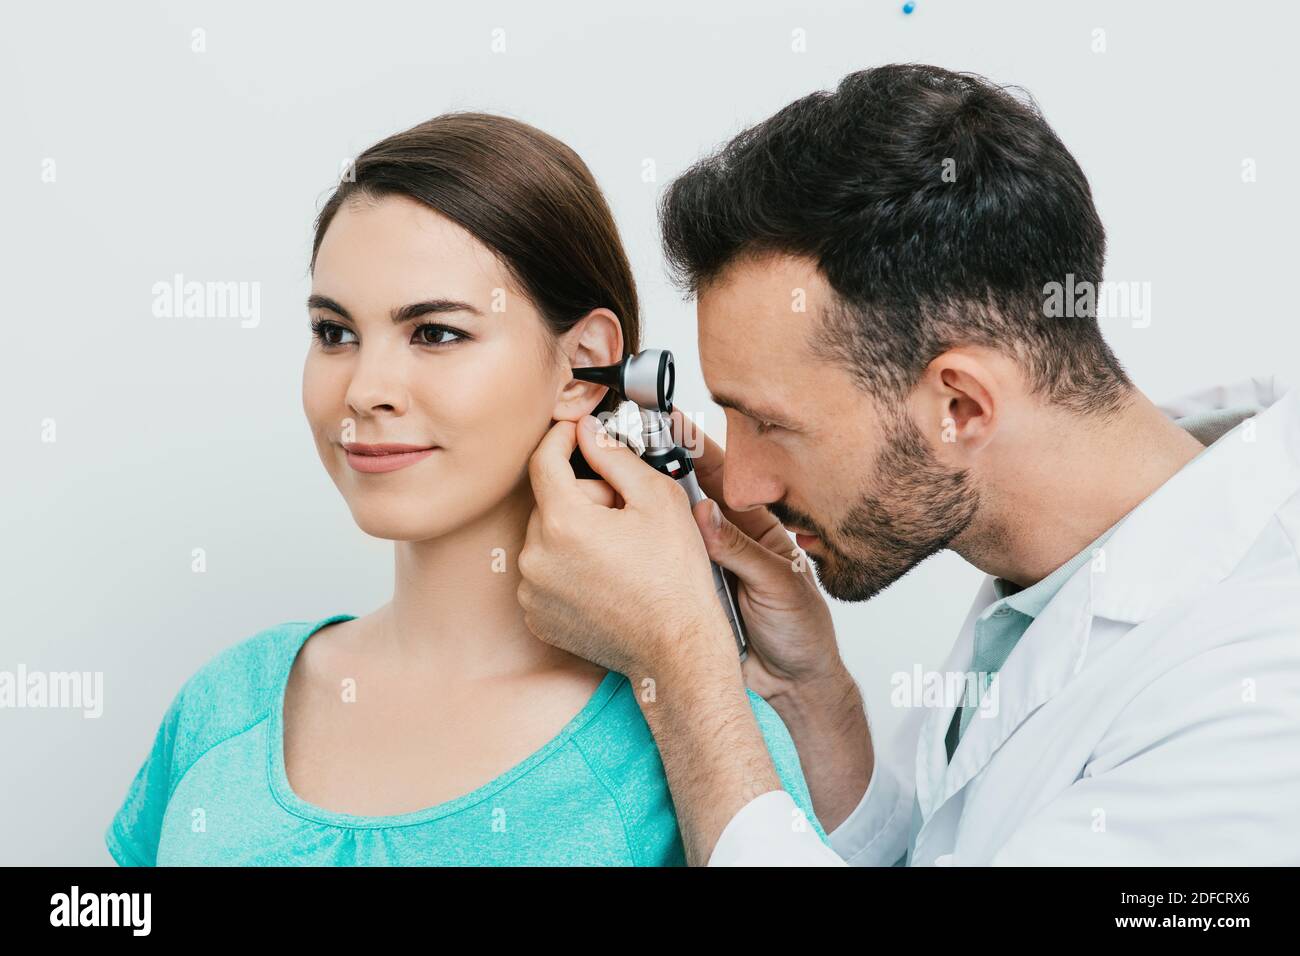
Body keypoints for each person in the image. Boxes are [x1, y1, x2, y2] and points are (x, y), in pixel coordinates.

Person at [516, 65, 1300, 865]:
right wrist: (811, 691)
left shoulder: (1259, 695)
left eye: (771, 424)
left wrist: (681, 665)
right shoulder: (1058, 570)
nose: (742, 486)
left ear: (959, 406)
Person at [104, 112, 826, 866]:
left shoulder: (702, 747)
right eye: (335, 333)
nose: (365, 390)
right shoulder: (224, 709)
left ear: (584, 363)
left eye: (436, 333)